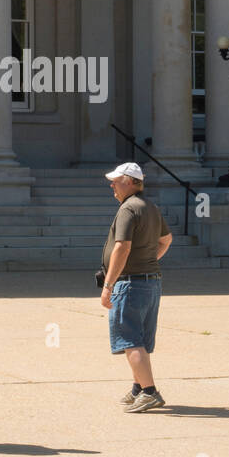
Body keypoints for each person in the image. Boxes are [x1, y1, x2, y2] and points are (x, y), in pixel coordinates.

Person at [100, 162, 173, 412]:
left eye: (116, 180)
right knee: (140, 340)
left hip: (130, 284)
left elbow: (122, 247)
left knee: (129, 339)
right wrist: (149, 260)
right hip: (151, 281)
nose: (112, 185)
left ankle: (150, 392)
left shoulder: (128, 209)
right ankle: (139, 388)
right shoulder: (150, 207)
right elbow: (166, 239)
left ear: (131, 182)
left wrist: (108, 284)